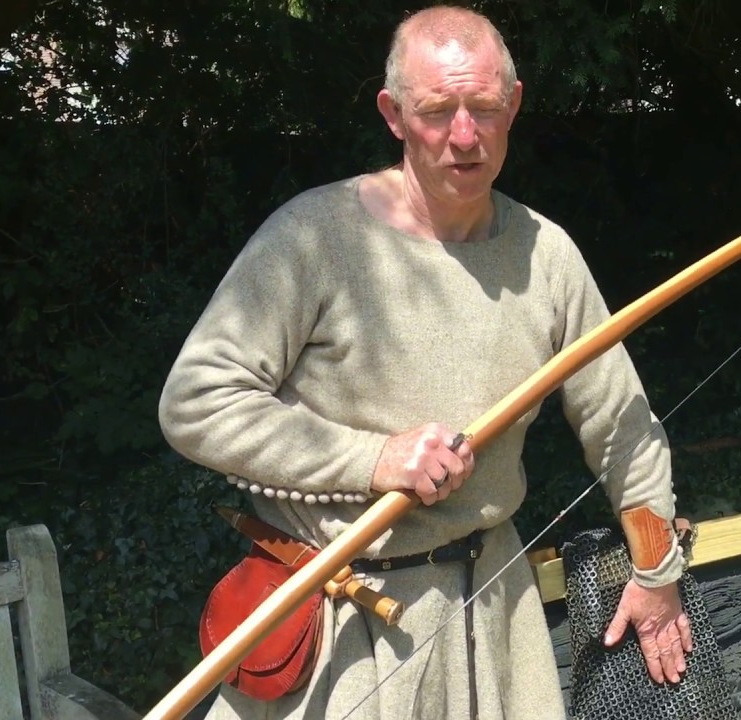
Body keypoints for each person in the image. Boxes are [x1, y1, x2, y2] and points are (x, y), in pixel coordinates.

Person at [158, 5, 692, 719]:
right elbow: (196, 400)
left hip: (497, 620)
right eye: (438, 111)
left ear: (515, 106)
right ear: (394, 114)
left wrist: (657, 571)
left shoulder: (548, 255)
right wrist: (374, 458)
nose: (464, 136)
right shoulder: (313, 239)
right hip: (345, 630)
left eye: (484, 108)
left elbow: (622, 426)